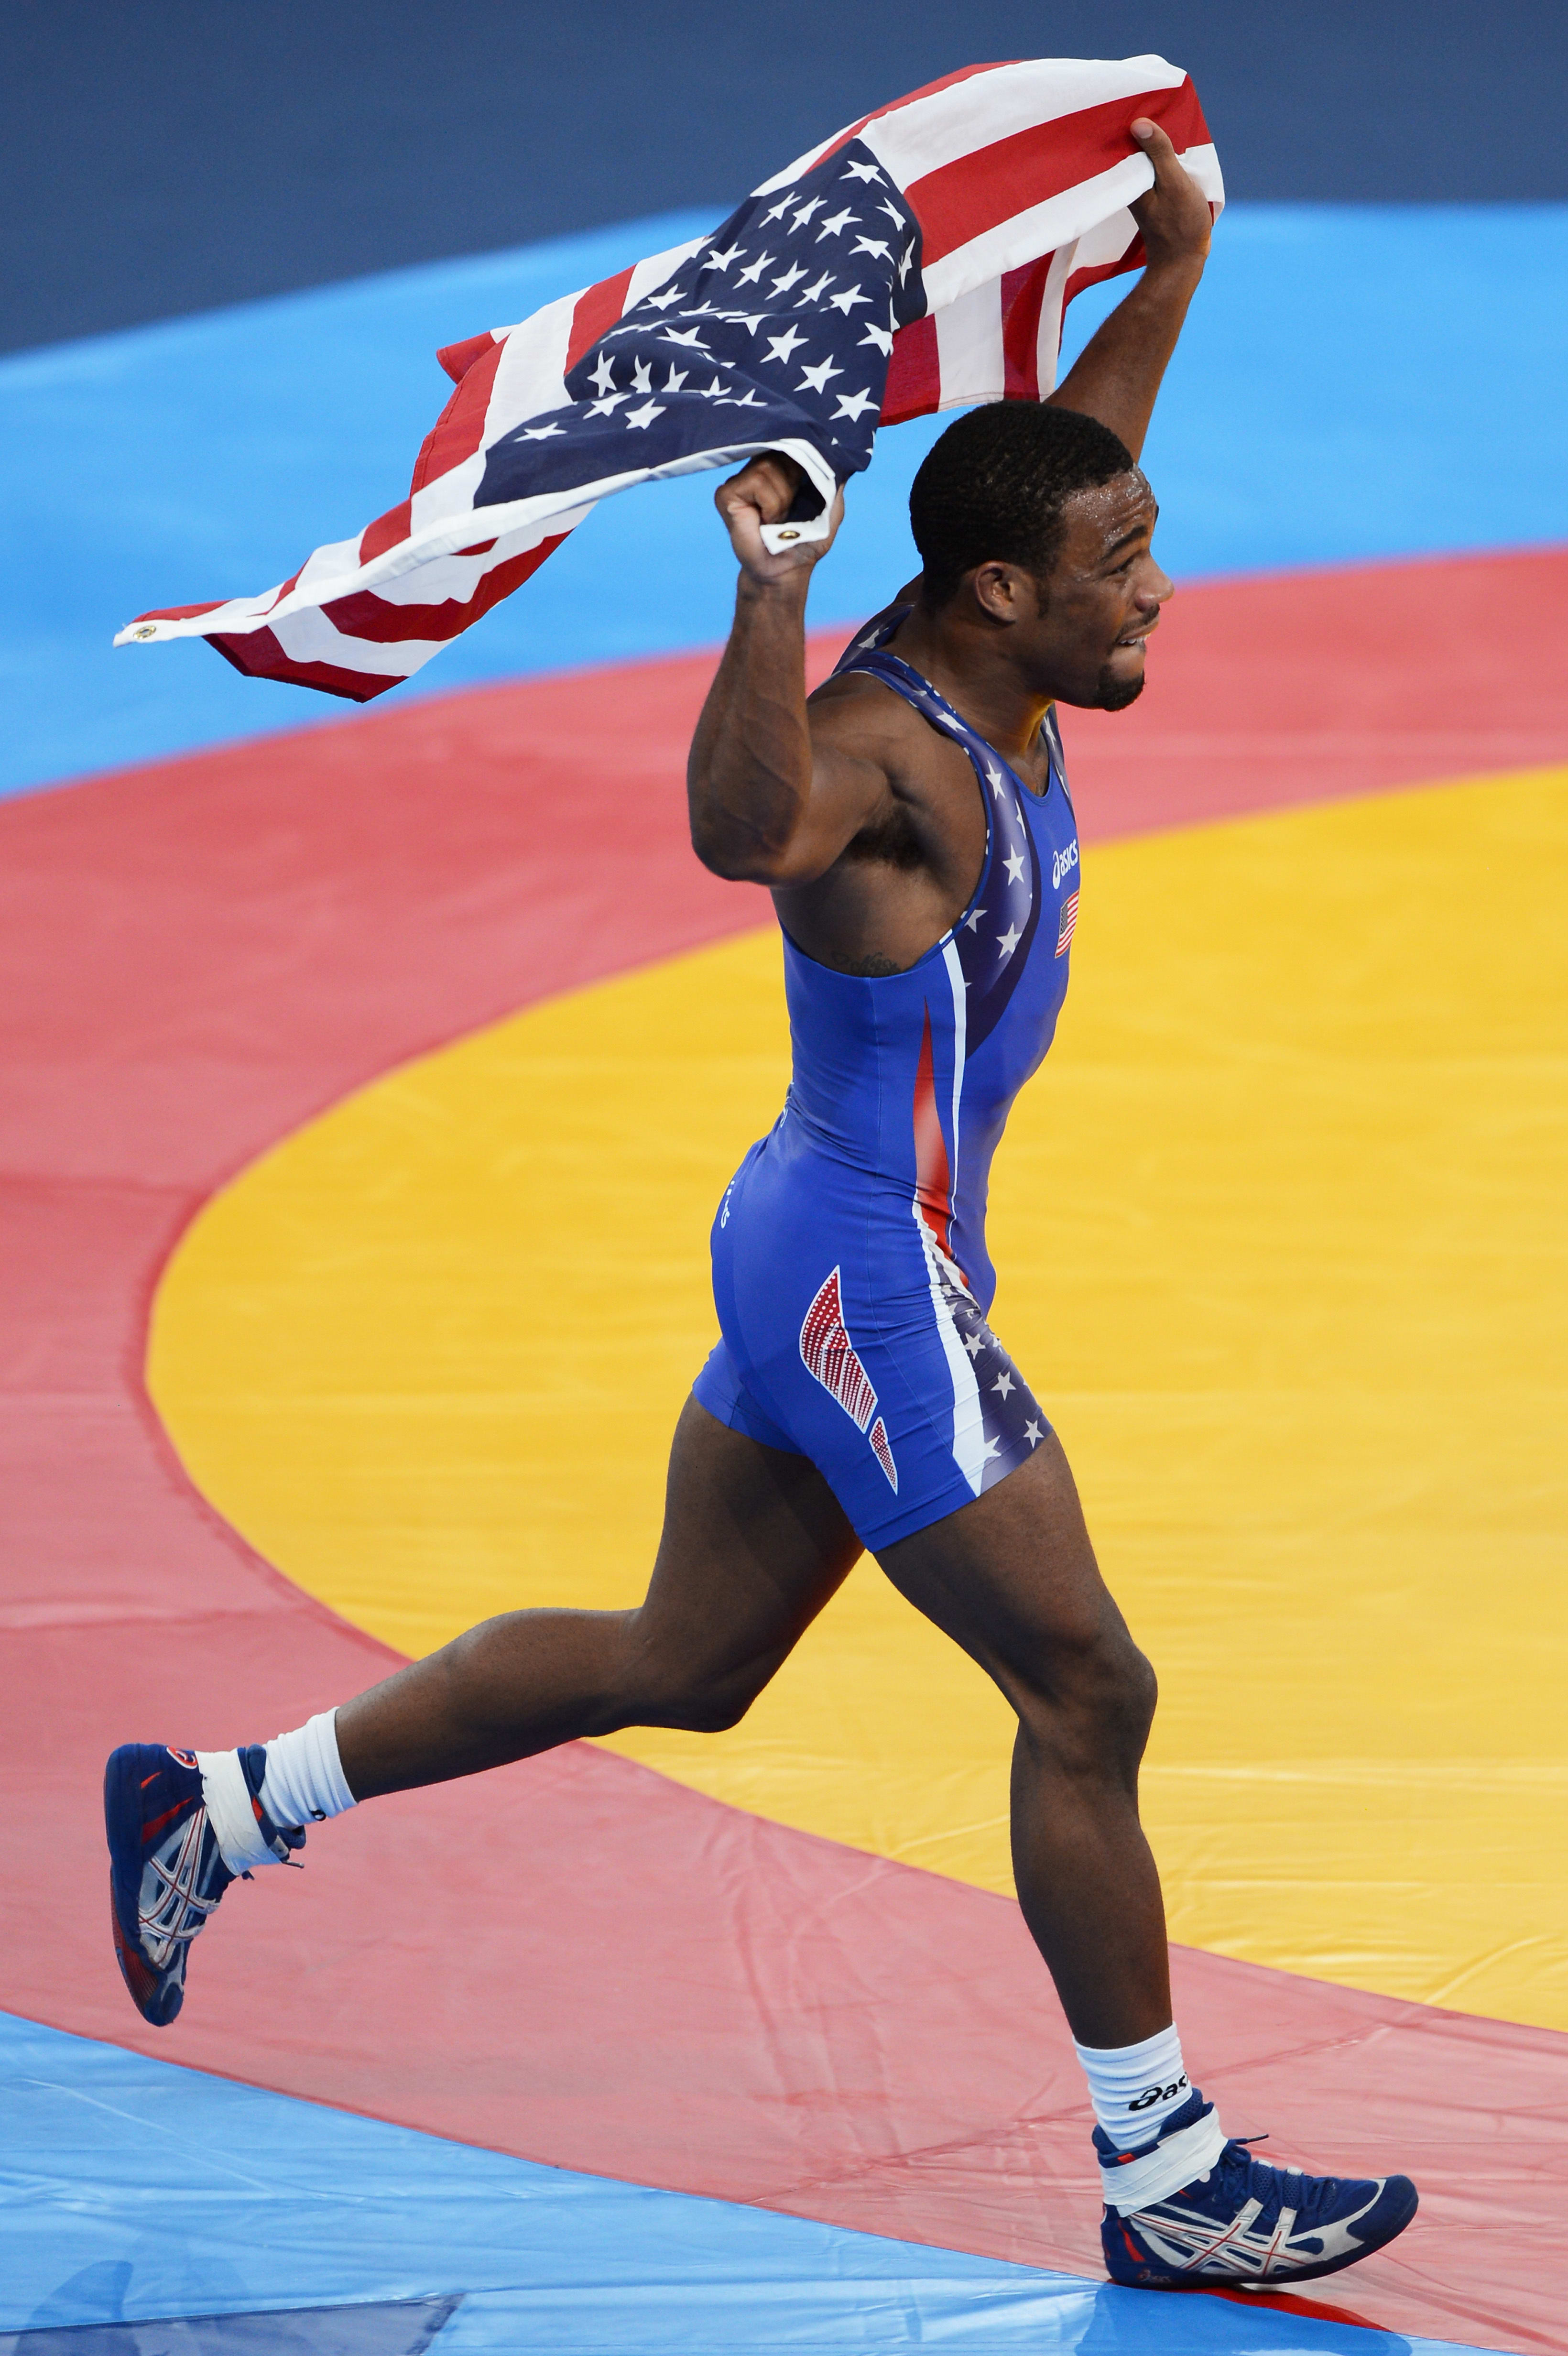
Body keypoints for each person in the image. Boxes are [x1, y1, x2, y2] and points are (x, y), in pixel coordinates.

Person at [105, 123, 1416, 2291]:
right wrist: (764, 582)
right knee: (1086, 1689)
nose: (1157, 578)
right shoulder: (882, 753)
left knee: (684, 1661)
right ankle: (1163, 2161)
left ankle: (215, 1804)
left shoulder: (1010, 596)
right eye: (1127, 561)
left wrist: (1167, 260)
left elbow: (1069, 451)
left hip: (834, 1232)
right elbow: (739, 831)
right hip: (855, 1279)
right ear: (1008, 596)